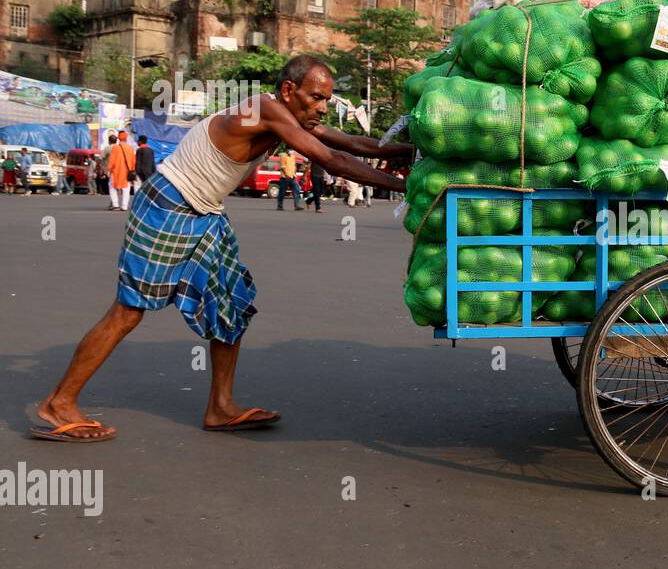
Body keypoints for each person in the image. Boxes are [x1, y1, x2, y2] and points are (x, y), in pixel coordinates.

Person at [32, 54, 413, 442]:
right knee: (129, 311)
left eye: (327, 100)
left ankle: (220, 406)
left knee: (229, 304)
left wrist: (411, 150)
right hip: (168, 204)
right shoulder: (263, 109)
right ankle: (59, 402)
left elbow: (351, 142)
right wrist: (407, 186)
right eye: (316, 97)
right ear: (288, 90)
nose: (322, 107)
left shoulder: (288, 116)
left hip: (205, 213)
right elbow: (333, 159)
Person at [106, 133, 136, 212]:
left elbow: (112, 160)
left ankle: (115, 205)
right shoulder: (130, 148)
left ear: (119, 139)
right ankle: (124, 206)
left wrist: (109, 169)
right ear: (126, 139)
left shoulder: (115, 148)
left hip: (116, 171)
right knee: (126, 189)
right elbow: (133, 161)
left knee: (112, 187)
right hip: (127, 172)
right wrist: (133, 170)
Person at [276, 146, 304, 211]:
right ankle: (280, 206)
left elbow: (294, 166)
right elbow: (282, 167)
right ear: (286, 149)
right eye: (290, 149)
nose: (291, 151)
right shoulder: (283, 156)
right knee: (282, 192)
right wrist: (286, 174)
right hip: (285, 177)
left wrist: (294, 174)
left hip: (292, 177)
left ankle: (297, 206)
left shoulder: (293, 156)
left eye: (292, 149)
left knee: (296, 191)